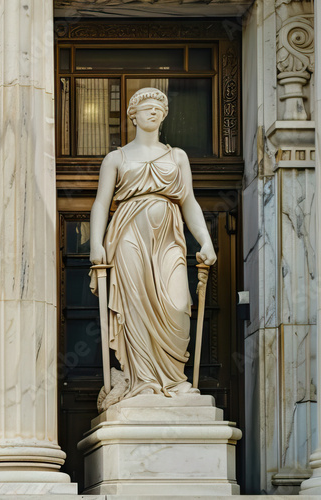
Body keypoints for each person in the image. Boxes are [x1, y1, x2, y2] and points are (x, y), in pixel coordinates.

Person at [89, 87, 217, 408]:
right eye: (146, 108)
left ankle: (174, 380)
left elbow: (189, 202)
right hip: (128, 236)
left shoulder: (177, 156)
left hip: (169, 240)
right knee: (135, 308)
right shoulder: (116, 158)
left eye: (159, 109)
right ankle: (143, 380)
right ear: (133, 115)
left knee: (177, 306)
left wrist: (206, 240)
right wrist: (95, 243)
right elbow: (101, 204)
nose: (153, 113)